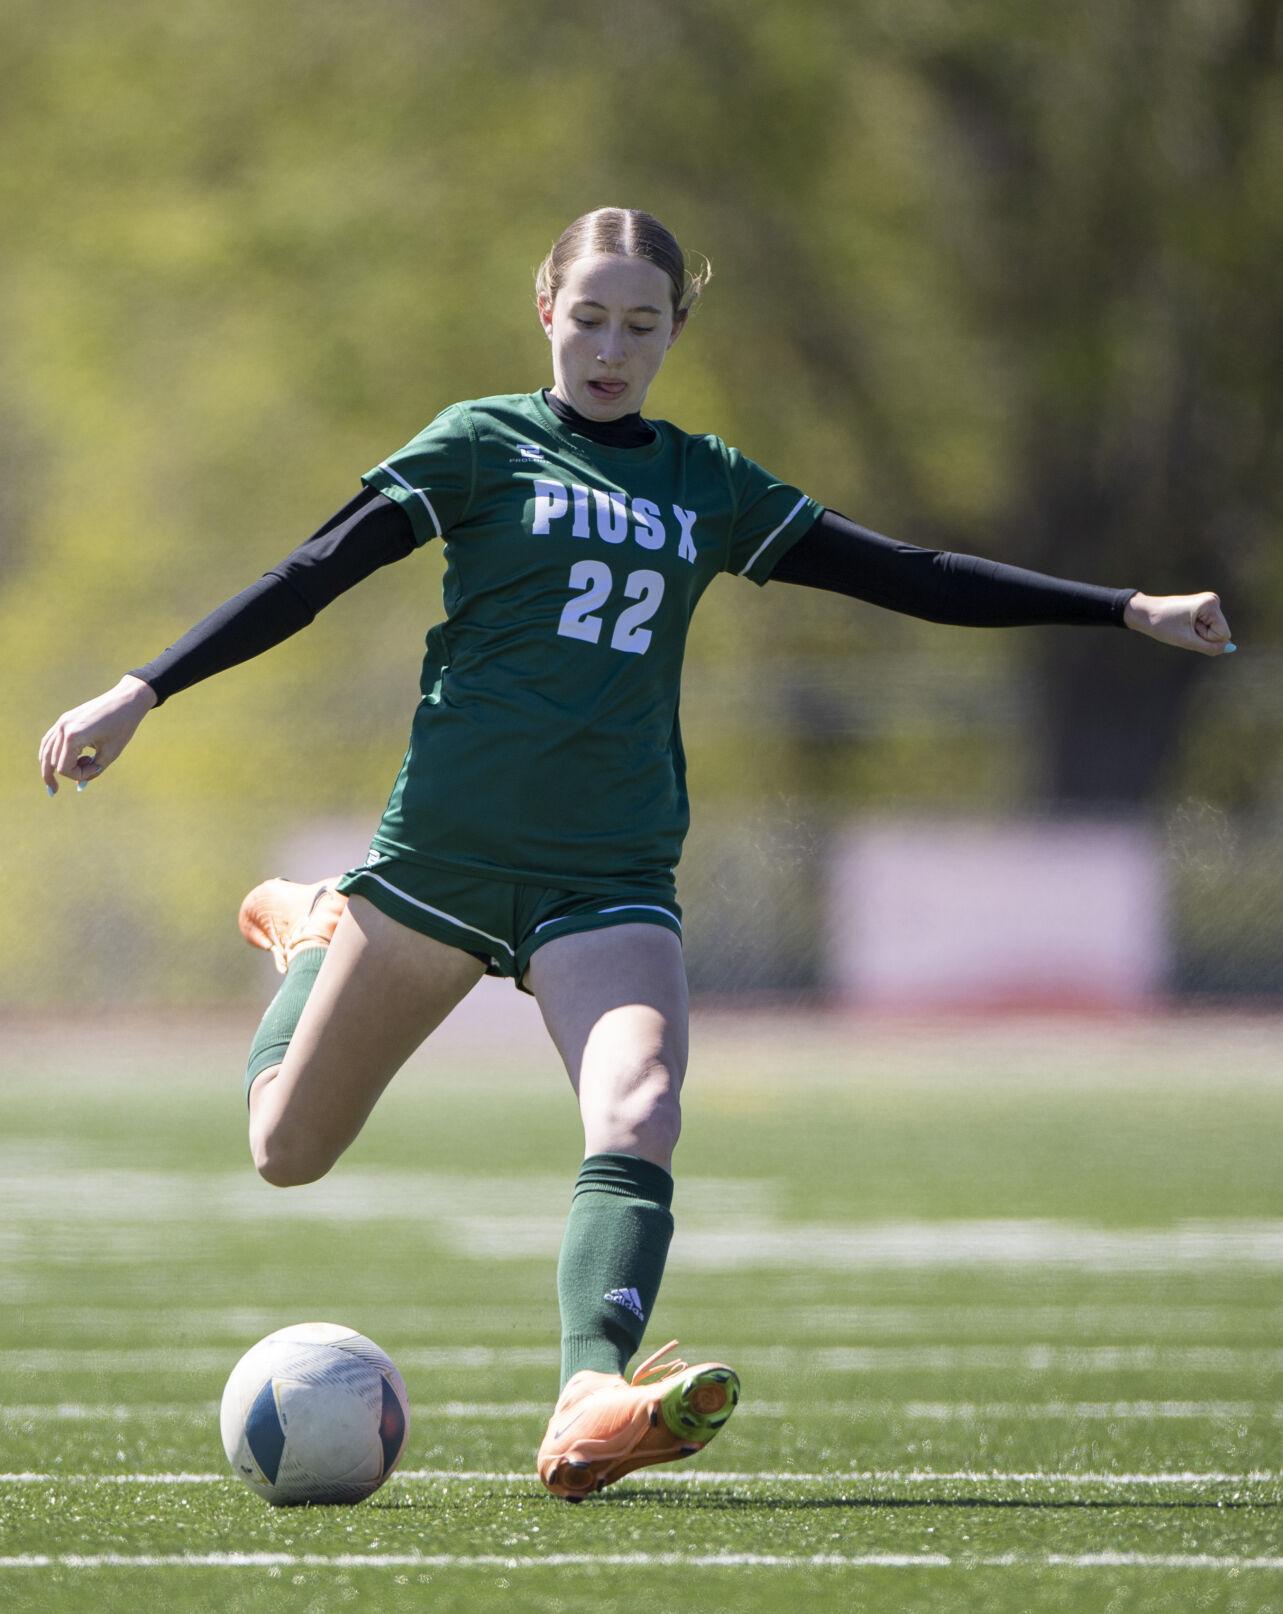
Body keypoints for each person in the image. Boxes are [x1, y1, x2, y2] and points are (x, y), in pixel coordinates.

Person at [38, 207, 1235, 1501]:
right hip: (442, 861)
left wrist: (1124, 607)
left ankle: (590, 1391)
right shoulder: (480, 444)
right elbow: (311, 572)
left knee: (642, 1106)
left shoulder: (706, 482)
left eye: (642, 325)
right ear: (545, 311)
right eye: (591, 318)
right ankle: (314, 933)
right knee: (286, 1150)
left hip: (607, 874)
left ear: (674, 331)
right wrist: (141, 690)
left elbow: (911, 573)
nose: (612, 349)